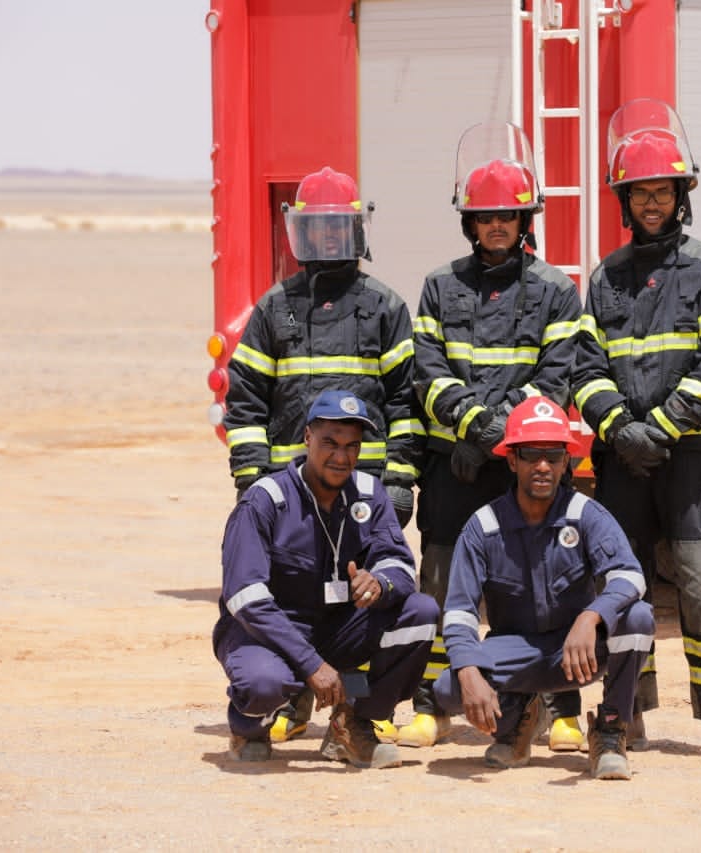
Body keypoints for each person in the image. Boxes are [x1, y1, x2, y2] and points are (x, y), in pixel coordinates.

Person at [572, 99, 701, 761]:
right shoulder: (606, 278)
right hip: (624, 457)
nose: (652, 203)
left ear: (681, 196)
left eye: (663, 191)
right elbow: (585, 366)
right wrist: (621, 428)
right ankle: (627, 710)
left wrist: (664, 428)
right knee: (623, 582)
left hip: (695, 455)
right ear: (626, 200)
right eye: (641, 193)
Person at [223, 167, 424, 743]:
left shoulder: (384, 307)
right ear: (299, 233)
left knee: (368, 598)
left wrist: (398, 481)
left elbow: (406, 404)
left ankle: (354, 711)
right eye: (318, 228)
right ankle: (289, 696)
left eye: (339, 227)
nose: (329, 238)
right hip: (290, 500)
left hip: (361, 495)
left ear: (357, 230)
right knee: (293, 602)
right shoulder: (275, 308)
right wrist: (253, 482)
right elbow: (245, 402)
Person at [403, 122, 584, 750]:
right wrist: (473, 426)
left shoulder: (557, 291)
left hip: (526, 464)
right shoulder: (439, 286)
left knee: (544, 582)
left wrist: (493, 435)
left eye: (507, 215)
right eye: (485, 216)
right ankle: (430, 706)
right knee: (438, 580)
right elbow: (427, 371)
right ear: (470, 223)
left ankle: (561, 709)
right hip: (452, 465)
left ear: (525, 219)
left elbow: (555, 380)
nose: (497, 225)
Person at [212, 390, 438, 768]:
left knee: (420, 612)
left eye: (352, 446)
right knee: (264, 683)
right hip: (266, 633)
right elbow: (244, 597)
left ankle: (354, 721)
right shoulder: (266, 500)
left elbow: (399, 563)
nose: (341, 456)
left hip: (335, 628)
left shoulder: (369, 494)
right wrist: (311, 665)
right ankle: (250, 728)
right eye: (330, 443)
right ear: (307, 438)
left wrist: (380, 583)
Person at [432, 397, 655, 780]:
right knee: (448, 689)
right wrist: (468, 671)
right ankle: (519, 718)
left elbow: (630, 576)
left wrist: (591, 616)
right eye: (531, 454)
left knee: (638, 617)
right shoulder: (483, 526)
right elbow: (459, 613)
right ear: (511, 460)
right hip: (515, 651)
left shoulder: (584, 514)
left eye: (553, 456)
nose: (542, 466)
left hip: (578, 651)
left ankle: (610, 729)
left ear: (566, 462)